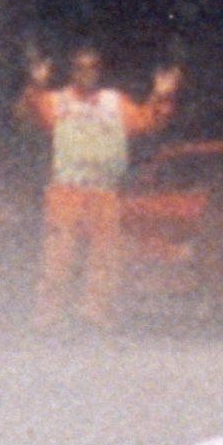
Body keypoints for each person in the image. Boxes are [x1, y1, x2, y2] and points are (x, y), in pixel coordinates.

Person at [20, 45, 180, 328]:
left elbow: (147, 120)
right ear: (71, 71)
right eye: (80, 68)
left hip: (104, 191)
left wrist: (162, 94)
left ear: (100, 71)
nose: (86, 73)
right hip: (66, 190)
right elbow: (27, 112)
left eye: (92, 67)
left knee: (104, 259)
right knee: (58, 257)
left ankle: (96, 317)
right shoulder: (58, 101)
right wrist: (36, 84)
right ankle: (48, 319)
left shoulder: (113, 102)